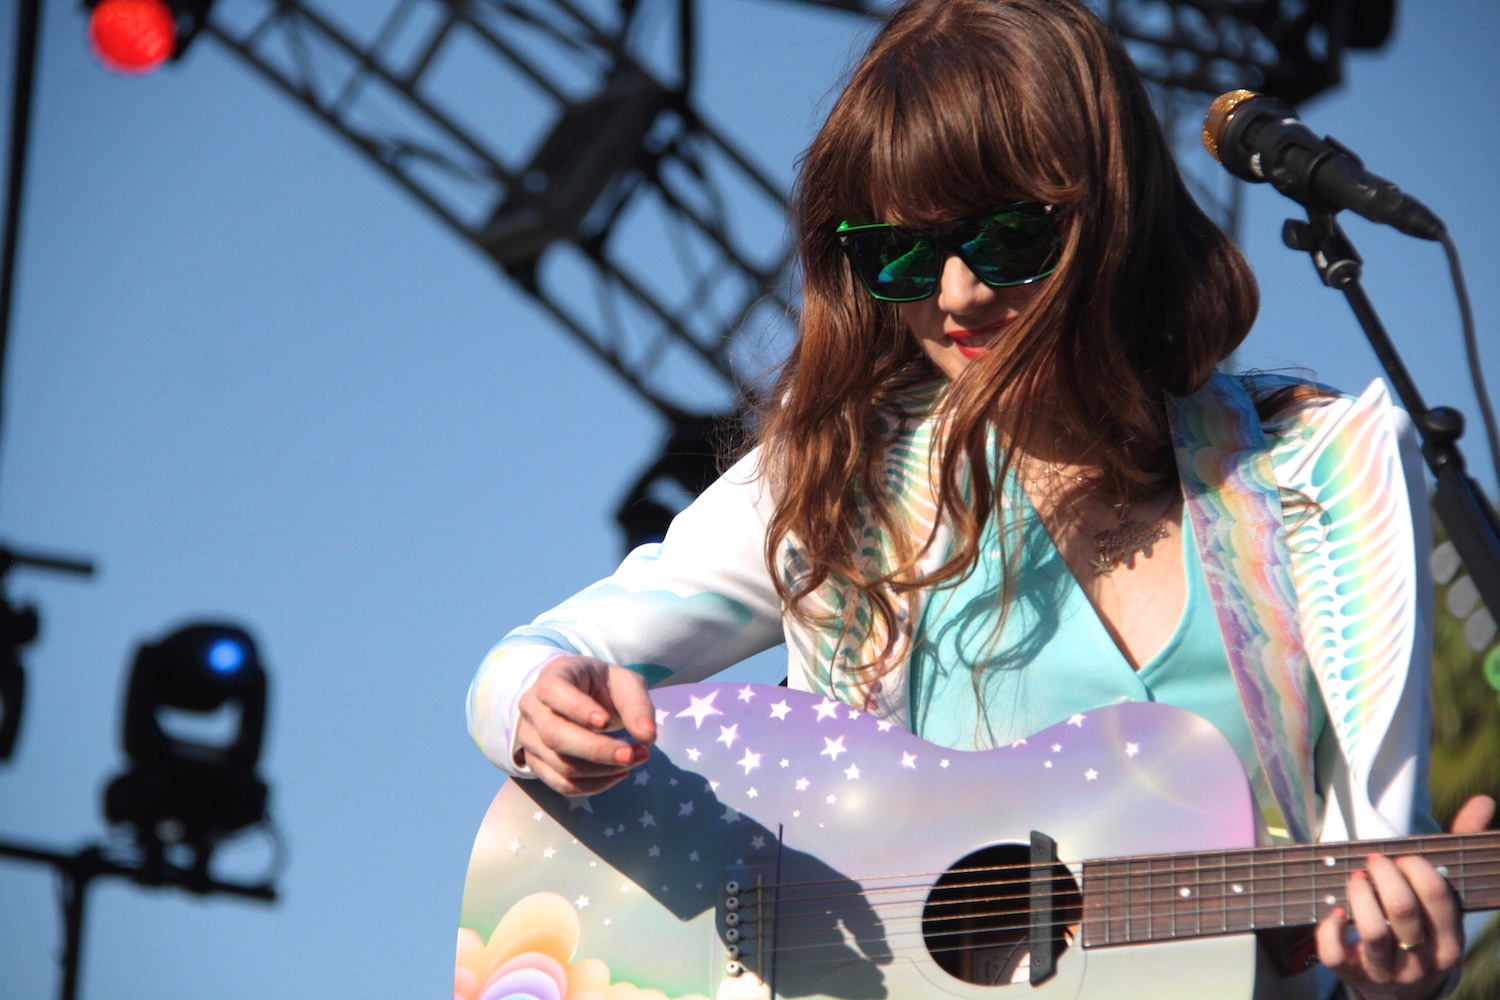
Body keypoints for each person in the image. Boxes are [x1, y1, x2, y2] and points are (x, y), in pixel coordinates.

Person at [466, 1, 1494, 997]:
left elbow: (1370, 890)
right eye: (899, 254)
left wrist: (1397, 976)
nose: (953, 293)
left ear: (1118, 213)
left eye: (1005, 238)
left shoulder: (1315, 474)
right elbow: (526, 659)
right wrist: (538, 704)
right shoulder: (841, 478)